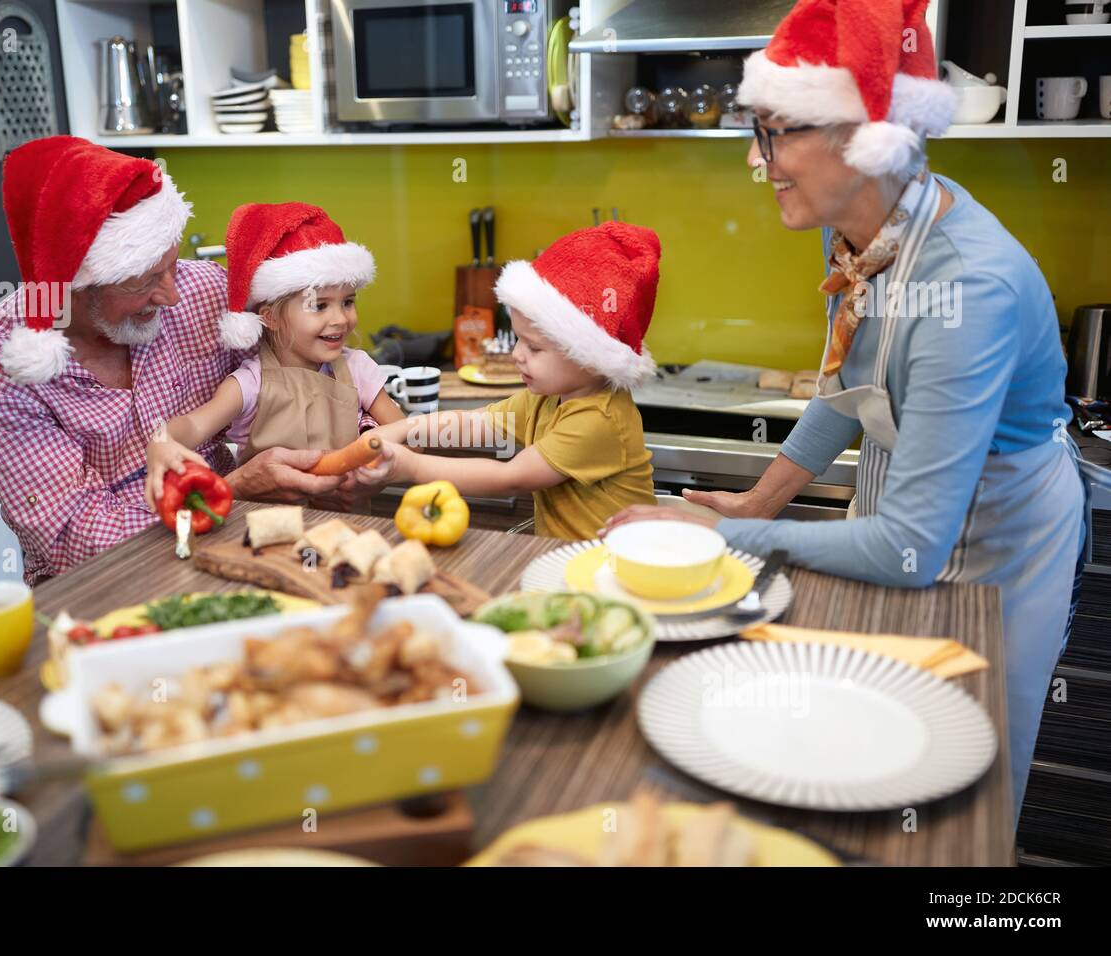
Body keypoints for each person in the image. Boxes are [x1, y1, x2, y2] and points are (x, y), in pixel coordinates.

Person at [603, 0, 1087, 816]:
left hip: (994, 553)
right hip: (908, 529)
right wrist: (759, 500)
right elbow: (849, 389)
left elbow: (912, 543)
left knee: (962, 796)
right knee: (889, 759)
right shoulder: (867, 236)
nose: (761, 164)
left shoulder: (966, 287)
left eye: (779, 132)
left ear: (867, 136)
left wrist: (726, 536)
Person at [0, 136, 348, 585]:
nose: (172, 294)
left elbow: (311, 373)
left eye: (172, 265)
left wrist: (360, 446)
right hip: (107, 588)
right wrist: (230, 489)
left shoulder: (205, 294)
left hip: (239, 551)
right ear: (74, 283)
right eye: (146, 282)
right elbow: (78, 542)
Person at [359, 222, 657, 539]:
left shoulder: (599, 417)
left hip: (611, 567)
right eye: (518, 339)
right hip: (567, 559)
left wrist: (411, 467)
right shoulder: (547, 398)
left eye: (535, 347)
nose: (517, 354)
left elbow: (511, 478)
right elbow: (475, 424)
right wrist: (402, 429)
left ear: (592, 356)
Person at [144, 202, 405, 508]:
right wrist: (161, 442)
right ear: (270, 317)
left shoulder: (356, 368)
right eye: (320, 306)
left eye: (347, 302)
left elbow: (406, 436)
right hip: (265, 534)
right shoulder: (250, 383)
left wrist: (375, 456)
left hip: (349, 529)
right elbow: (192, 426)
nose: (341, 319)